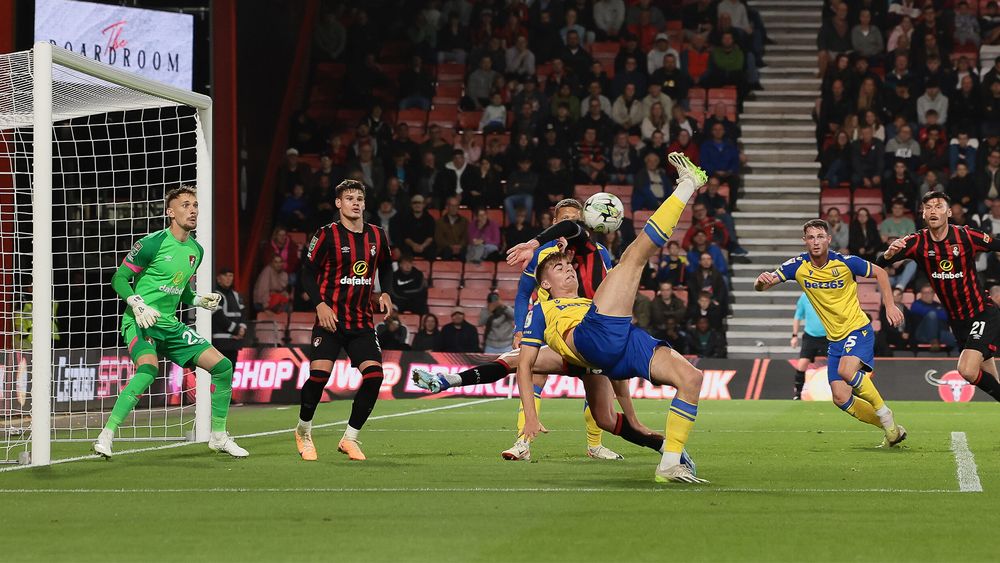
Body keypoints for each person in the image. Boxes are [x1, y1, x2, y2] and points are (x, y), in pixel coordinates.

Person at [506, 151, 712, 483]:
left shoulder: (587, 250)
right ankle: (688, 184)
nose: (566, 268)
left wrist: (634, 419)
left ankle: (670, 462)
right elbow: (524, 365)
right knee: (635, 257)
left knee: (691, 379)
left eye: (567, 265)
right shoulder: (544, 307)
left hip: (619, 339)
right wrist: (529, 415)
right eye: (559, 268)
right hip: (591, 336)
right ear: (545, 282)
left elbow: (572, 229)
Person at [93, 185, 248, 458]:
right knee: (148, 370)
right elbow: (119, 278)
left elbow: (180, 288)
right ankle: (107, 434)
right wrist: (136, 303)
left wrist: (197, 299)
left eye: (195, 205)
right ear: (170, 212)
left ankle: (219, 436)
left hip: (169, 325)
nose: (193, 210)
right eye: (185, 205)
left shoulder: (196, 251)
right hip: (140, 320)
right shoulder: (151, 243)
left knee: (223, 367)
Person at [755, 219, 907, 448]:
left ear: (828, 239)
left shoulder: (845, 262)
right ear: (805, 241)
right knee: (840, 398)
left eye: (820, 237)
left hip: (858, 329)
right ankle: (891, 428)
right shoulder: (797, 266)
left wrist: (890, 305)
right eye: (811, 237)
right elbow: (762, 286)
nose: (815, 242)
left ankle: (885, 413)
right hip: (835, 339)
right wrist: (760, 281)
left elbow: (880, 273)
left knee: (846, 371)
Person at [295, 180, 394, 462]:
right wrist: (320, 305)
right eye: (349, 198)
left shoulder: (377, 235)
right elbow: (306, 273)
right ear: (338, 203)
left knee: (375, 377)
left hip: (361, 321)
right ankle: (303, 431)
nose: (355, 203)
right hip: (330, 321)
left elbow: (386, 266)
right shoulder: (326, 234)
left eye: (359, 198)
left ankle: (349, 438)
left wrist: (386, 292)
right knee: (319, 378)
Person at [877, 191, 1000, 401]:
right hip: (958, 321)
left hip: (981, 312)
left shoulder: (966, 236)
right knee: (991, 381)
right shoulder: (916, 242)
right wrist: (887, 255)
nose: (933, 211)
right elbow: (879, 265)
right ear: (923, 214)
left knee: (967, 370)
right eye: (928, 207)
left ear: (949, 212)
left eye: (938, 206)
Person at [791, 292, 827, 400]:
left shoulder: (829, 293)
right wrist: (794, 336)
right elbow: (798, 316)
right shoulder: (805, 296)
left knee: (837, 364)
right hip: (810, 336)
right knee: (802, 364)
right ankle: (798, 393)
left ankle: (843, 392)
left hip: (829, 336)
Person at [211, 267, 247, 369]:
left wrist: (242, 329)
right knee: (220, 370)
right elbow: (218, 317)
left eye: (230, 276)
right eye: (225, 275)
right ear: (218, 278)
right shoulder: (215, 295)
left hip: (234, 343)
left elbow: (243, 314)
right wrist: (237, 330)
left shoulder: (236, 295)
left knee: (231, 370)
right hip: (220, 342)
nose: (228, 278)